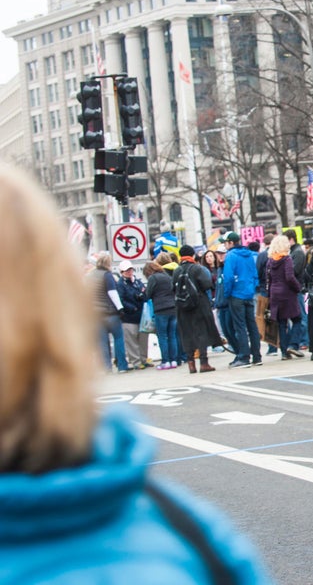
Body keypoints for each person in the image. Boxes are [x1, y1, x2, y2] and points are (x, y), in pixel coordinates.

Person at [0, 165, 272, 584]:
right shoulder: (185, 536)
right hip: (176, 319)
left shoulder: (186, 534)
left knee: (186, 345)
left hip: (174, 318)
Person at [172, 246, 218, 373]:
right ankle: (204, 363)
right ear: (192, 255)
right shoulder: (197, 268)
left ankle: (191, 364)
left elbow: (173, 288)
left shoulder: (177, 271)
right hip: (199, 305)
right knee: (201, 333)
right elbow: (207, 284)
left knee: (187, 334)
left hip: (182, 307)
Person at [222, 232, 262, 368]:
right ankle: (257, 356)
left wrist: (228, 293)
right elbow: (254, 274)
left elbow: (228, 277)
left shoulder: (231, 256)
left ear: (231, 243)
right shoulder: (249, 254)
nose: (225, 245)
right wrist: (251, 288)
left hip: (236, 294)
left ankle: (244, 357)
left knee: (240, 327)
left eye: (225, 243)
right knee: (252, 326)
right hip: (248, 293)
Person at [87, 252, 128, 373]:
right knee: (118, 338)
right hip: (111, 313)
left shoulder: (90, 276)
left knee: (102, 342)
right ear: (108, 263)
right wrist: (120, 308)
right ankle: (122, 366)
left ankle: (106, 367)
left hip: (96, 315)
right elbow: (112, 293)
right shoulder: (107, 275)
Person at [265, 235, 303, 360]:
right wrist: (298, 288)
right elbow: (289, 277)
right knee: (297, 319)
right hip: (287, 293)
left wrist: (269, 296)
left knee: (282, 323)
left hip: (275, 293)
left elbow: (268, 279)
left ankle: (284, 353)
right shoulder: (287, 259)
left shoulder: (270, 260)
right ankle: (293, 344)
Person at [144, 260, 179, 370]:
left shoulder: (152, 278)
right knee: (172, 335)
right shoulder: (167, 276)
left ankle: (165, 361)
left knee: (162, 336)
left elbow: (148, 294)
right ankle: (174, 360)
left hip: (160, 309)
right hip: (172, 308)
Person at [117, 260, 150, 370]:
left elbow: (144, 293)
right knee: (131, 340)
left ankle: (144, 359)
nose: (129, 272)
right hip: (129, 317)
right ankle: (136, 362)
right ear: (122, 272)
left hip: (141, 316)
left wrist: (141, 295)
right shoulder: (121, 284)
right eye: (126, 270)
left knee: (143, 339)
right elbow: (121, 299)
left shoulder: (137, 281)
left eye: (130, 270)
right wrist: (132, 307)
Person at [283, 229, 308, 352]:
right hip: (295, 288)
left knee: (300, 315)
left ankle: (303, 340)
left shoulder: (297, 252)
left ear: (291, 239)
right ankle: (301, 340)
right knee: (299, 315)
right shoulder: (294, 252)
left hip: (297, 288)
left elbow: (295, 270)